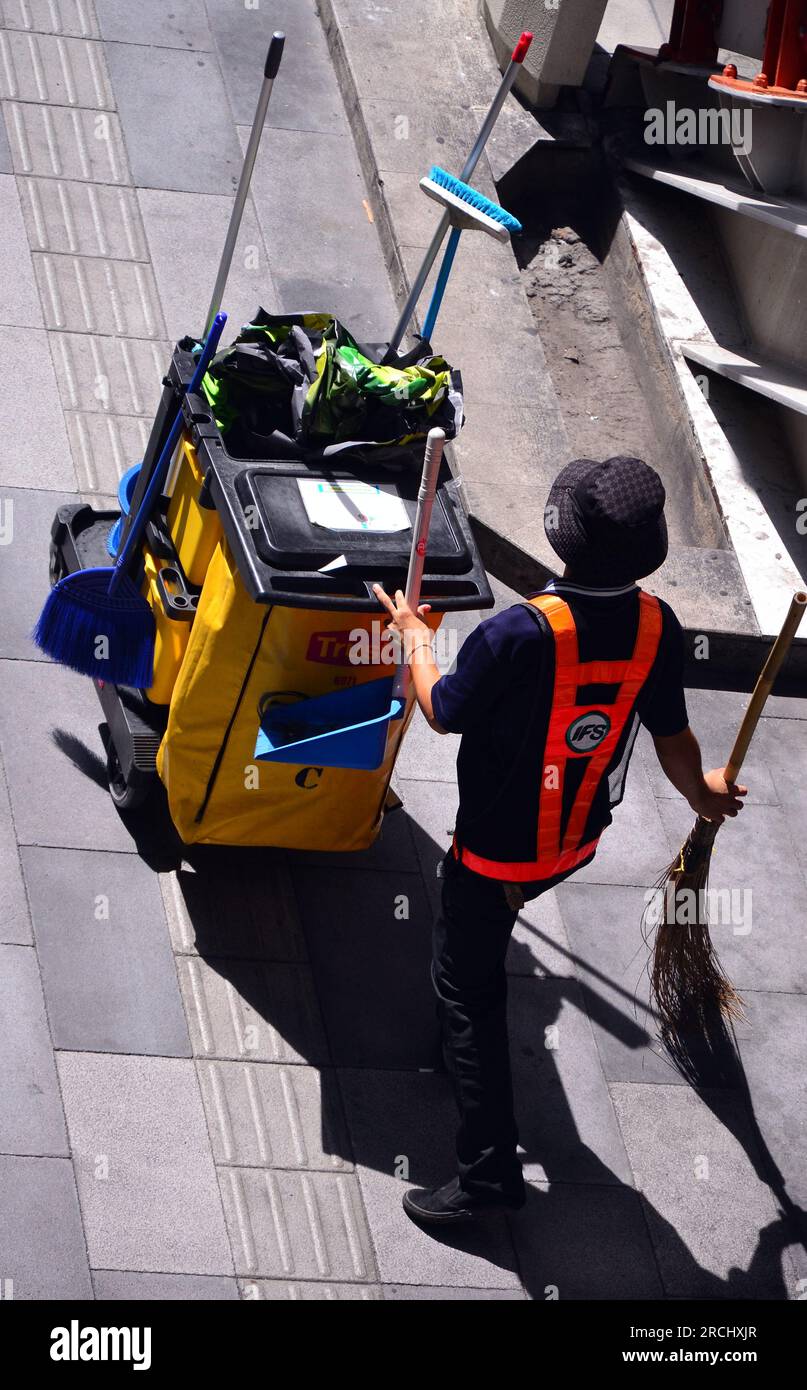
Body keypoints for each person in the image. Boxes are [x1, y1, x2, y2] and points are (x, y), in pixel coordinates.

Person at [373, 455, 747, 1226]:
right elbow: (673, 738)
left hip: (491, 851)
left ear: (563, 538)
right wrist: (700, 792)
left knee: (468, 992)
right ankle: (455, 1041)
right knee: (482, 940)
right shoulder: (655, 626)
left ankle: (485, 1176)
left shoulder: (517, 631)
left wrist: (411, 637)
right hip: (572, 839)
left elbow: (441, 710)